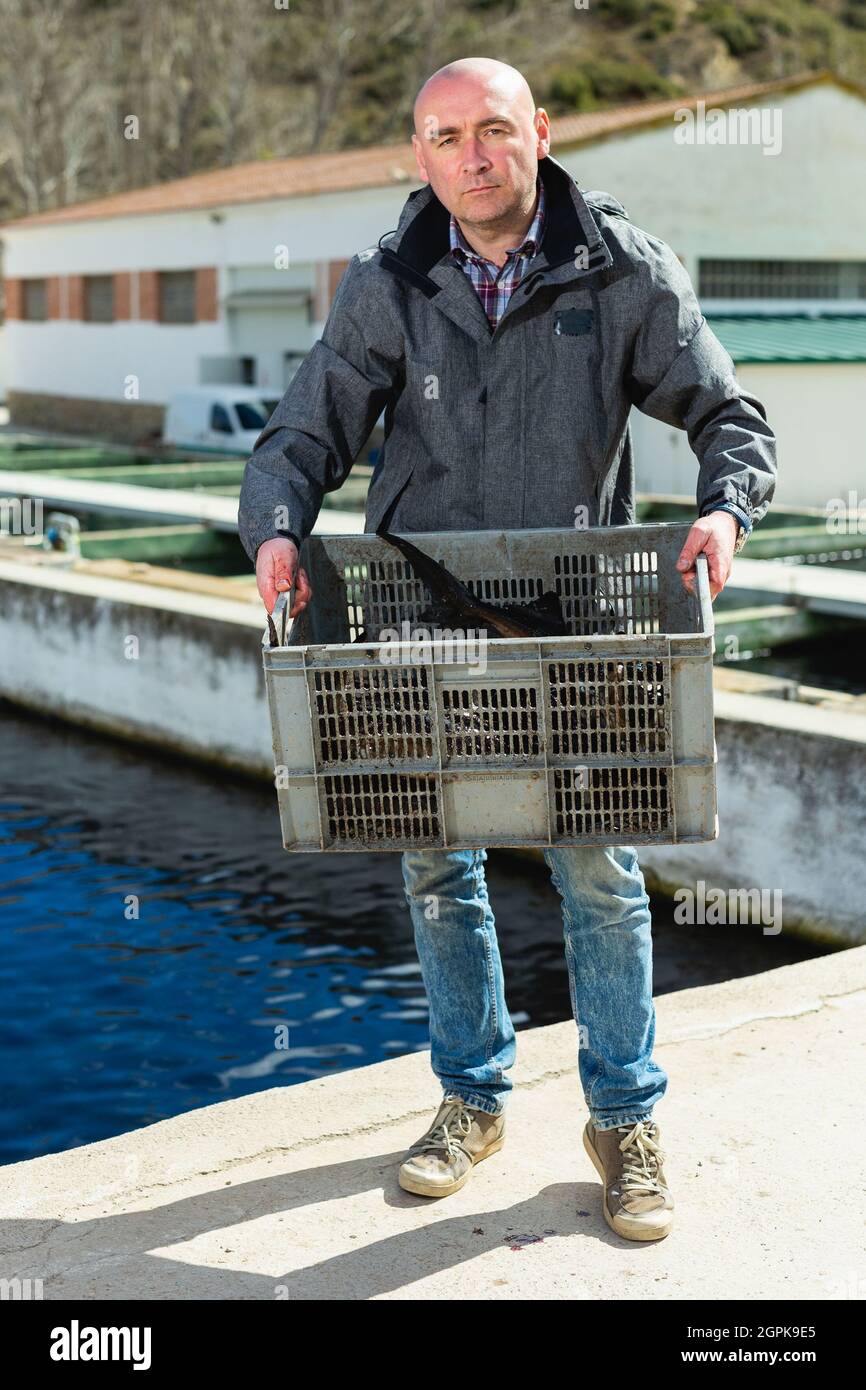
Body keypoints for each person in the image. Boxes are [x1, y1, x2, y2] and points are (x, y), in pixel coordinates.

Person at [237, 57, 776, 1242]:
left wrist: (725, 507)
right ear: (418, 156)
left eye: (490, 131)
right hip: (419, 623)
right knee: (437, 869)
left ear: (538, 131)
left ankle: (622, 1116)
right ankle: (470, 1099)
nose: (469, 157)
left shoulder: (621, 268)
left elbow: (727, 413)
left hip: (576, 626)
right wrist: (275, 530)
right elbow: (302, 431)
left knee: (597, 872)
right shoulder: (387, 282)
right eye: (442, 137)